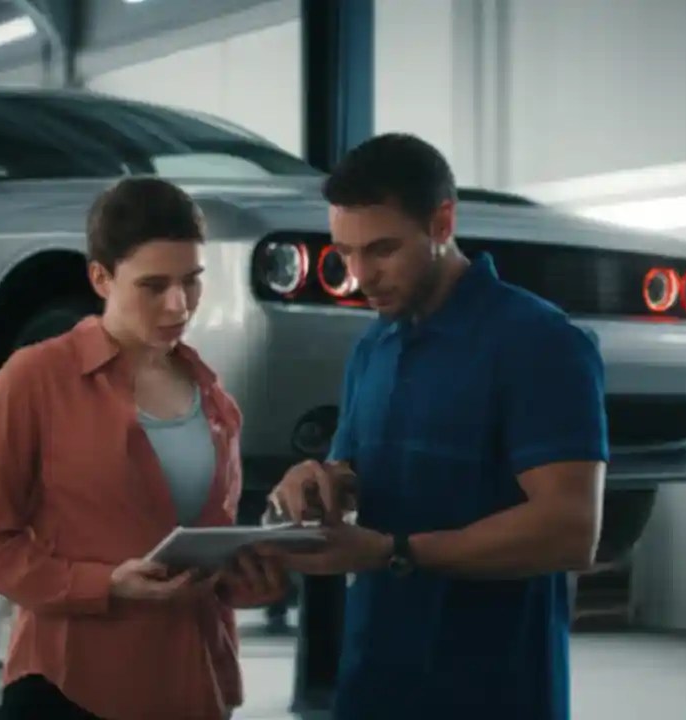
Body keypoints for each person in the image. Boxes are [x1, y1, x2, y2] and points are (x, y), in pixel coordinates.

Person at [263, 133, 609, 720]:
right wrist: (318, 482)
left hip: (493, 691)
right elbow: (358, 477)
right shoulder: (373, 348)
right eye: (344, 252)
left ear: (442, 222)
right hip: (374, 685)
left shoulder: (539, 343)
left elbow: (570, 529)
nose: (359, 276)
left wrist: (394, 552)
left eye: (381, 249)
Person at [0, 176, 288, 720]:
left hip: (193, 686)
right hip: (69, 688)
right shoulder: (34, 380)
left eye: (191, 282)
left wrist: (245, 582)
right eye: (153, 286)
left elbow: (201, 549)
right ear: (101, 278)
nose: (179, 305)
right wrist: (104, 584)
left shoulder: (214, 397)